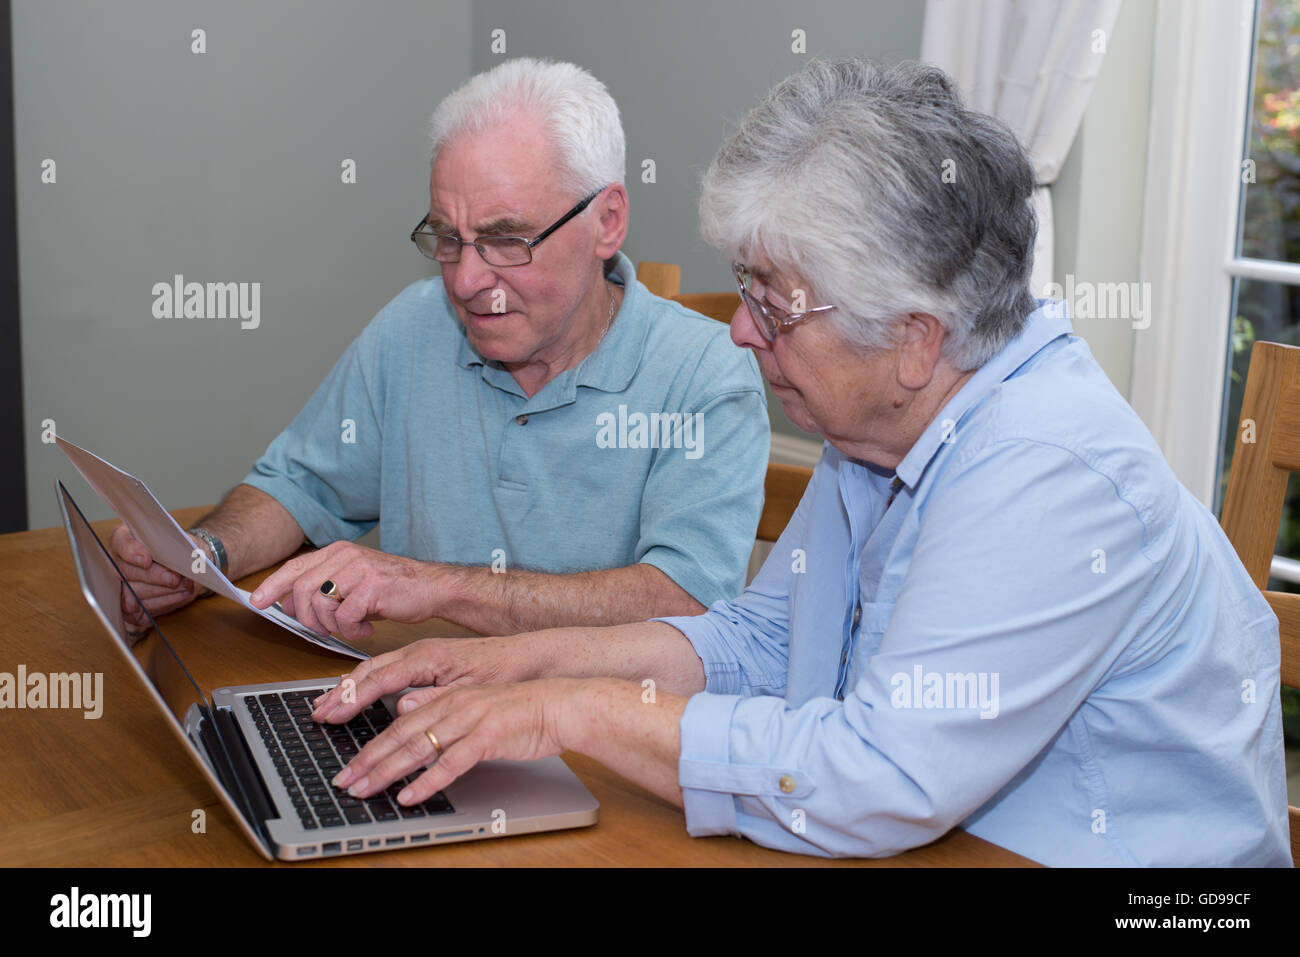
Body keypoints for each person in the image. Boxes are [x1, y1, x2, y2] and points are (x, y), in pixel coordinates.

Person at [305, 58, 1292, 866]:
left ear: (911, 338)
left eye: (772, 301)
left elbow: (876, 779)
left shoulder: (1047, 473)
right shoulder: (889, 431)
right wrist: (503, 664)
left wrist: (566, 710)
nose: (738, 331)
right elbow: (757, 645)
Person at [110, 58, 768, 640]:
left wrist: (436, 585)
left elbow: (685, 604)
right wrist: (202, 556)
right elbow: (300, 486)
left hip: (599, 747)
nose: (464, 279)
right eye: (447, 237)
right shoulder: (416, 325)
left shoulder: (707, 373)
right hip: (415, 713)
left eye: (507, 238)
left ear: (607, 221)